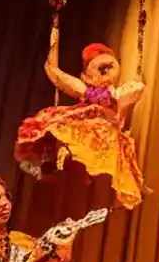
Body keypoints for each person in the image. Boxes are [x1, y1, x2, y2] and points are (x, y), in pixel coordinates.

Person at [14, 27, 147, 209]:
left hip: (107, 133)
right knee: (66, 130)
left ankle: (96, 183)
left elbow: (133, 91)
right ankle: (60, 158)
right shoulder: (86, 91)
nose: (105, 72)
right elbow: (56, 74)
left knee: (113, 155)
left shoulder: (116, 94)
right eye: (100, 68)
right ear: (86, 75)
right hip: (88, 127)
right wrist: (54, 35)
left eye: (108, 67)